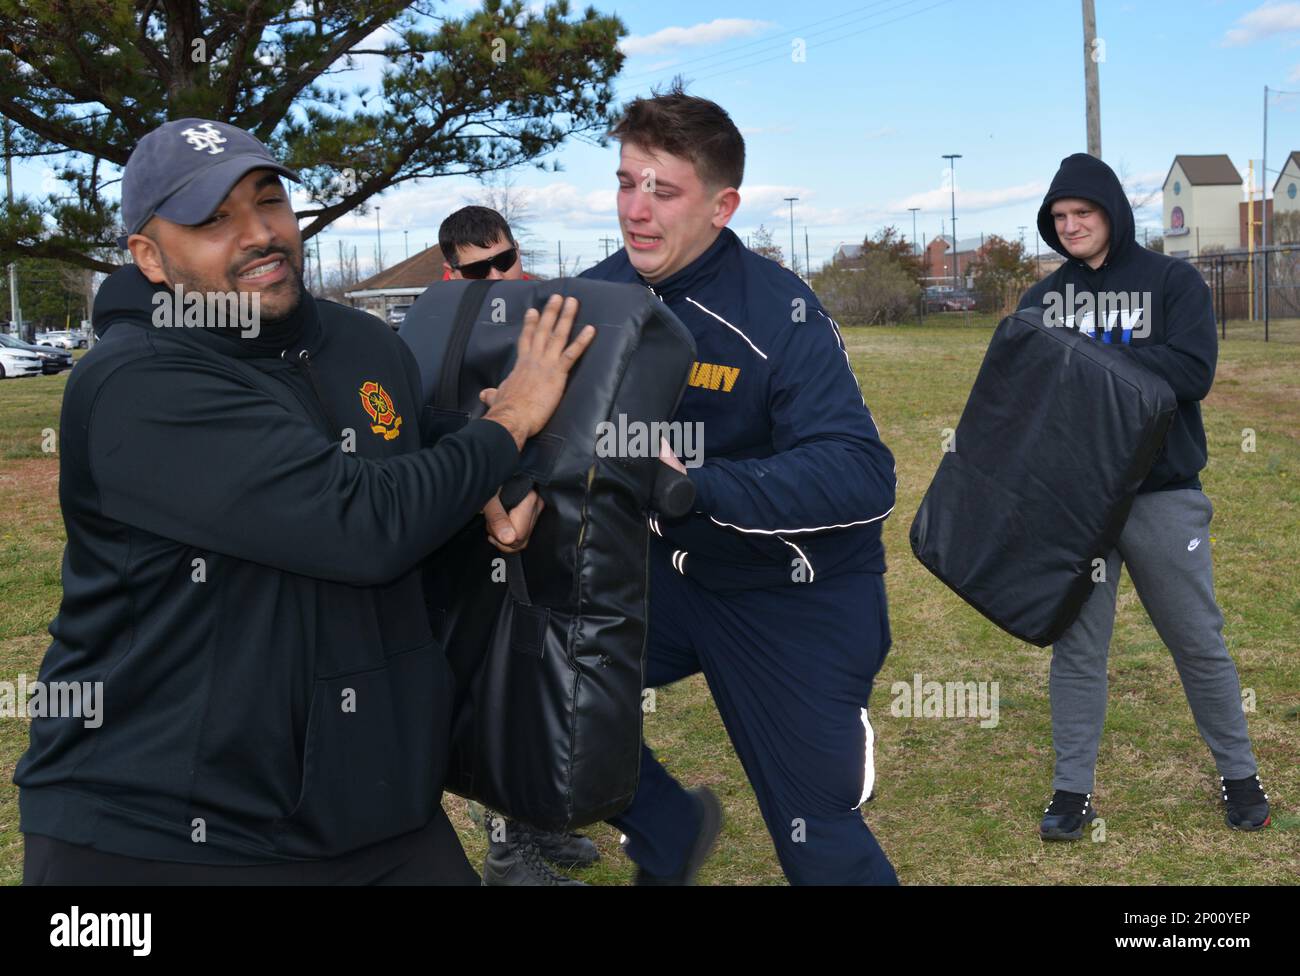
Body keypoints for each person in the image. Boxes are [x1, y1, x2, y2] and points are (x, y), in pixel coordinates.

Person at [14, 117, 594, 883]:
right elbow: (360, 522)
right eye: (212, 219)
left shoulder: (365, 344)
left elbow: (423, 465)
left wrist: (497, 489)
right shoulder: (137, 384)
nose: (258, 234)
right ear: (150, 257)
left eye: (269, 201)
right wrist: (511, 420)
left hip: (376, 809)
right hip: (158, 825)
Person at [490, 85, 899, 884]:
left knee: (817, 842)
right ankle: (670, 828)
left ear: (722, 206)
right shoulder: (593, 295)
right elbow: (544, 419)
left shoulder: (780, 313)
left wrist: (698, 485)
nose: (635, 211)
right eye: (625, 182)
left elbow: (862, 472)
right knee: (531, 684)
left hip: (792, 594)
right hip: (666, 580)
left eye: (663, 191)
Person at [1018, 152, 1269, 841]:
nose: (1070, 226)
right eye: (1059, 217)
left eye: (1083, 213)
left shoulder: (1172, 281)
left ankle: (1240, 776)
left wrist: (1088, 358)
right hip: (1077, 501)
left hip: (1160, 493)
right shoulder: (1042, 300)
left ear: (1113, 214)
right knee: (1077, 650)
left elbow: (1191, 371)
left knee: (1197, 641)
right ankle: (1073, 793)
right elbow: (1025, 389)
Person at [437, 204, 600, 886]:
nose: (500, 275)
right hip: (478, 536)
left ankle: (541, 825)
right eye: (480, 269)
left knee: (538, 685)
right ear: (451, 274)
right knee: (493, 694)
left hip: (545, 524)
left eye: (506, 259)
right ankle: (509, 853)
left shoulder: (546, 314)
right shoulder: (440, 333)